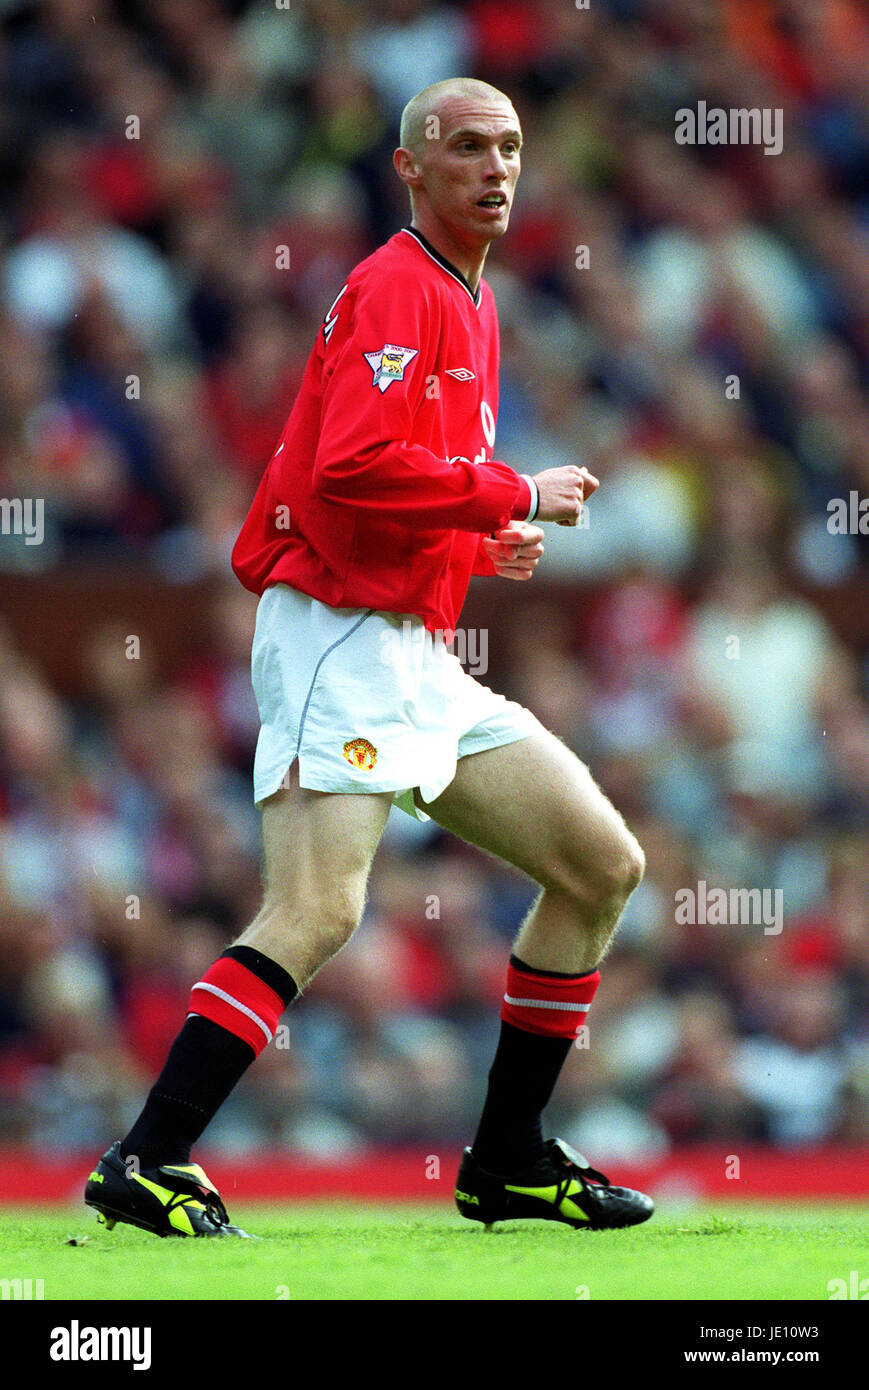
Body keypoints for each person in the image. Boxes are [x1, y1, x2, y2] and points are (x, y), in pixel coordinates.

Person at [85, 78, 653, 1238]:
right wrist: (513, 492)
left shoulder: (473, 301)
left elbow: (393, 484)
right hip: (335, 633)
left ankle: (505, 1161)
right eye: (463, 148)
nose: (493, 168)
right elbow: (345, 463)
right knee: (315, 911)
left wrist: (475, 542)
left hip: (410, 646)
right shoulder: (398, 286)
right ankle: (146, 1157)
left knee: (598, 864)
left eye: (507, 148)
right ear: (410, 168)